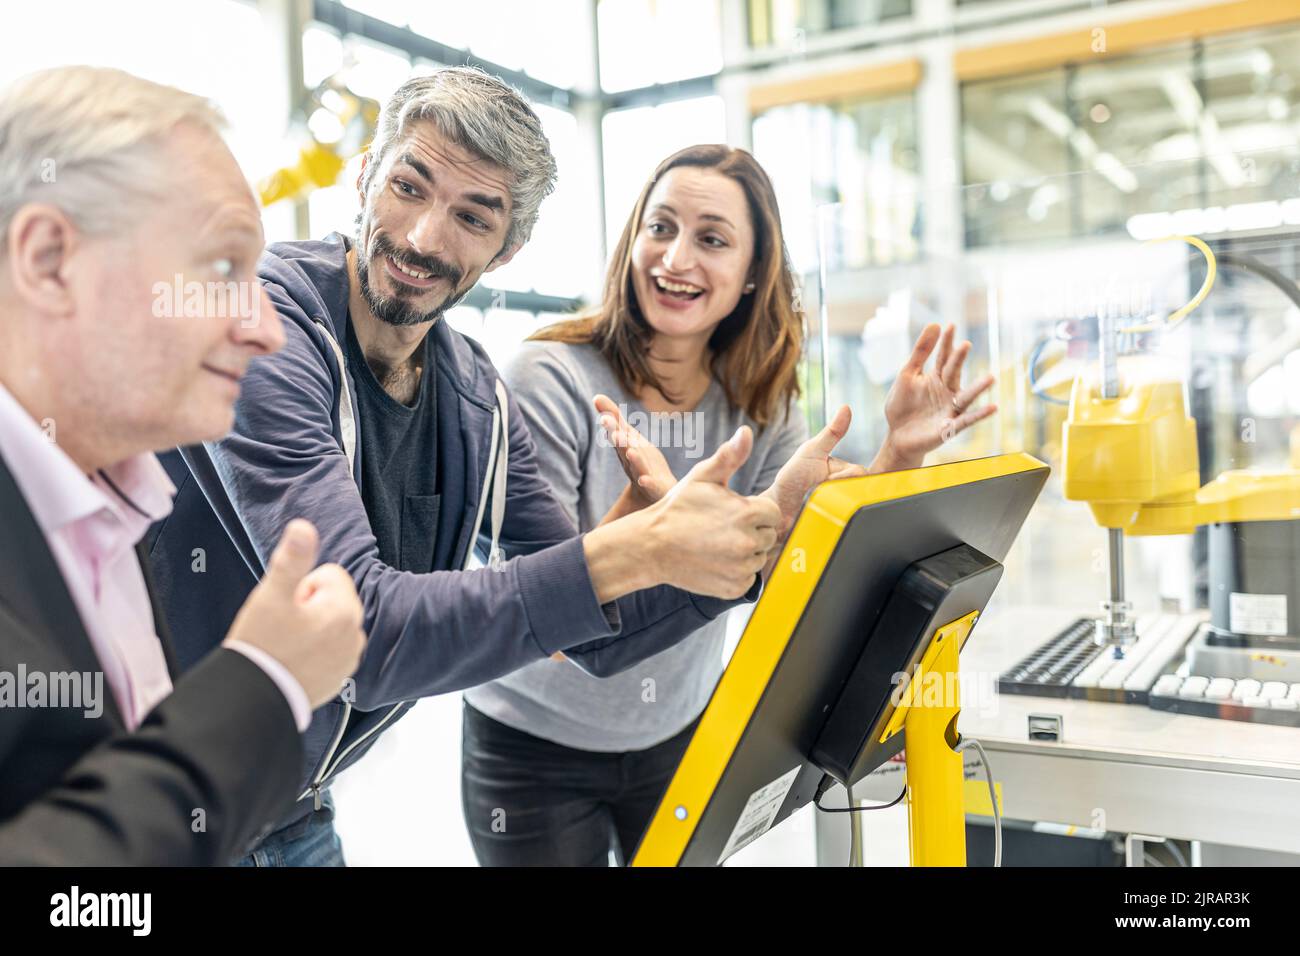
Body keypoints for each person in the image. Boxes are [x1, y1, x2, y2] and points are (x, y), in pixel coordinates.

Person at [148, 67, 784, 867]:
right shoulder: (264, 331)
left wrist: (738, 552)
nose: (421, 238)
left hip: (290, 805)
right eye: (408, 187)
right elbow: (361, 634)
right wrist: (634, 551)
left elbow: (601, 637)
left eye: (472, 216)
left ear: (508, 247)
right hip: (148, 808)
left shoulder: (476, 397)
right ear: (363, 177)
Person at [462, 144, 997, 866]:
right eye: (661, 228)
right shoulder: (547, 377)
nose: (676, 258)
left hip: (680, 727)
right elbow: (552, 612)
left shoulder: (763, 399)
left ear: (751, 275)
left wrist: (898, 453)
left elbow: (802, 572)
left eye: (711, 239)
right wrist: (672, 530)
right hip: (534, 743)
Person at [0, 66, 366, 865]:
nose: (267, 329)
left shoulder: (114, 496)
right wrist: (263, 686)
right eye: (224, 269)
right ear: (50, 260)